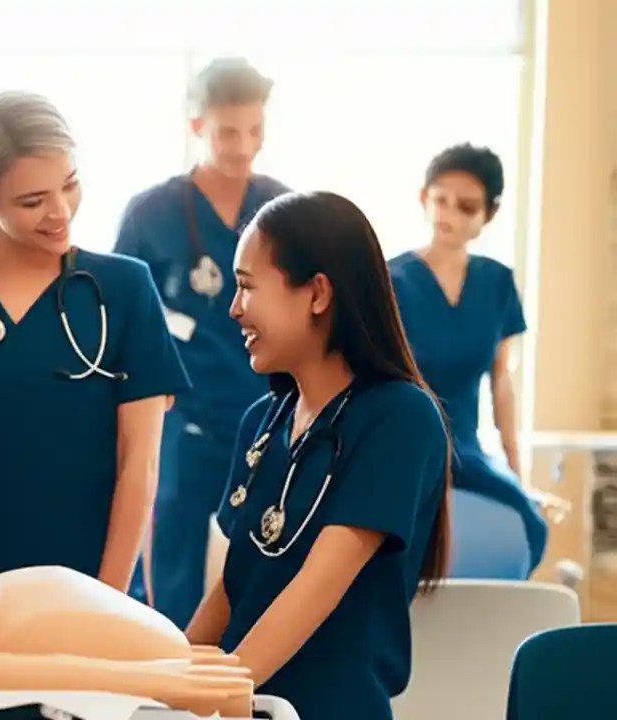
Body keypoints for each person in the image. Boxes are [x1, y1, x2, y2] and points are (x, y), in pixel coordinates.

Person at [0, 91, 190, 591]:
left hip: (99, 585)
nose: (60, 212)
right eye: (33, 201)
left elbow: (139, 458)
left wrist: (108, 597)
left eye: (69, 185)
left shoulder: (124, 289)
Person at [186, 191, 451, 719]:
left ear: (317, 293)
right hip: (247, 703)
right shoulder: (263, 423)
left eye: (247, 287)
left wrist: (209, 699)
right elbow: (231, 591)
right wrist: (161, 681)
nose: (234, 309)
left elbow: (318, 586)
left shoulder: (398, 418)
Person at [113, 57, 292, 625]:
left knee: (271, 565)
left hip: (267, 418)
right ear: (198, 128)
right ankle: (169, 694)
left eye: (255, 131)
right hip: (182, 424)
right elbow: (122, 322)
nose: (244, 147)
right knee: (172, 576)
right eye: (228, 132)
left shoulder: (284, 211)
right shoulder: (152, 214)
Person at [388, 143, 557, 577]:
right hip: (404, 441)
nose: (449, 214)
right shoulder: (391, 280)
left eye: (466, 207)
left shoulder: (497, 283)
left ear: (487, 216)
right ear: (423, 197)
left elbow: (502, 382)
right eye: (440, 199)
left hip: (465, 447)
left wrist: (517, 470)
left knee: (531, 524)